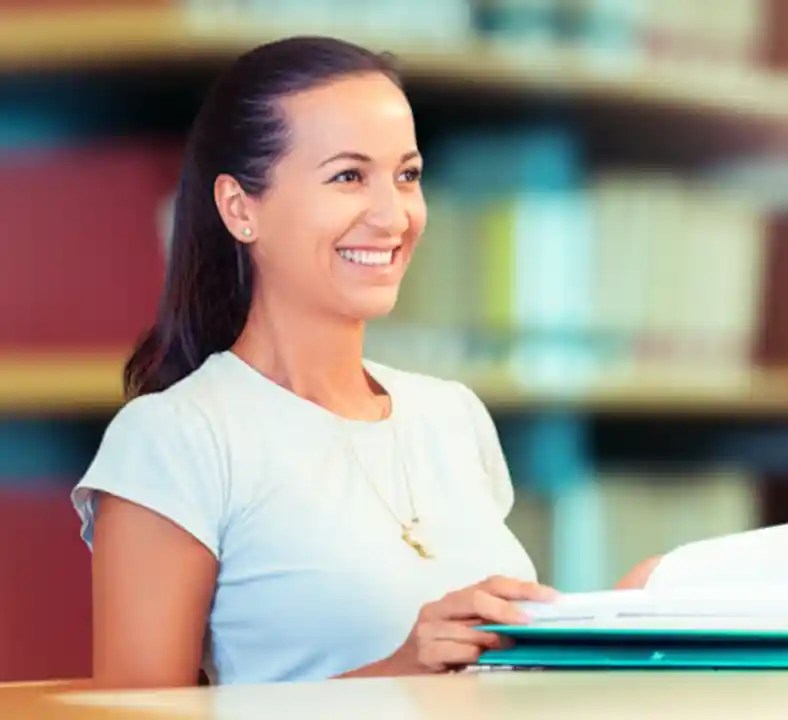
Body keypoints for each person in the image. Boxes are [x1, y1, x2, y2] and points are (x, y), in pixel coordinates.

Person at [70, 36, 658, 688]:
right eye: (348, 177)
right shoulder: (176, 439)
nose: (392, 216)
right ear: (240, 209)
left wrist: (618, 628)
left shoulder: (452, 416)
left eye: (407, 176)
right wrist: (401, 672)